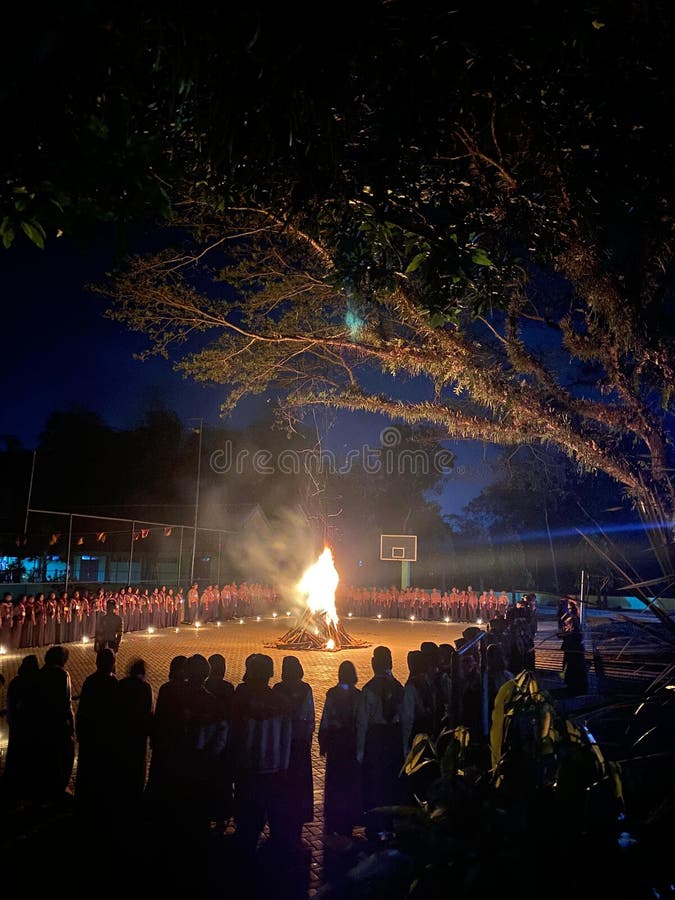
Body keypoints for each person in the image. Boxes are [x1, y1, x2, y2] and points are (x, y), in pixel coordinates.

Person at [231, 654, 291, 858]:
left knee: (247, 802)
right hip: (269, 763)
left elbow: (233, 728)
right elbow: (286, 735)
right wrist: (283, 764)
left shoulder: (241, 695)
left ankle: (245, 844)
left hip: (246, 762)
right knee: (261, 802)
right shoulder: (278, 700)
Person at [355, 645, 405, 841]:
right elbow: (405, 716)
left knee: (374, 781)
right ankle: (390, 821)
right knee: (391, 780)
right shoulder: (398, 687)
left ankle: (375, 822)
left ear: (373, 665)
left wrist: (359, 750)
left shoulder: (368, 690)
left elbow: (362, 722)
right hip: (392, 738)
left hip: (375, 739)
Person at [271, 655, 315, 850]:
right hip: (299, 743)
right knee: (299, 781)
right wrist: (307, 736)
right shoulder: (305, 689)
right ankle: (297, 819)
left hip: (282, 742)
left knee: (281, 781)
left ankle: (278, 821)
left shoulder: (278, 689)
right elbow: (310, 717)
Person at [318, 660, 362, 843]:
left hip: (337, 743)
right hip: (351, 743)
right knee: (349, 781)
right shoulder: (359, 695)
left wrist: (323, 741)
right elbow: (361, 720)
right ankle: (348, 820)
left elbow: (326, 718)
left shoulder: (332, 694)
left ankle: (334, 819)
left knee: (335, 780)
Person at [74, 647, 119, 815]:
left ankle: (85, 800)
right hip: (104, 735)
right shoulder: (113, 683)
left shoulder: (89, 681)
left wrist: (80, 730)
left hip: (91, 734)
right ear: (112, 664)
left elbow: (83, 709)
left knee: (88, 768)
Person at [35, 644, 75, 804]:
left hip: (43, 723)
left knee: (47, 756)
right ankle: (60, 789)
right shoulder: (62, 675)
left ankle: (45, 787)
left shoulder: (40, 673)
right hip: (58, 723)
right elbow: (67, 703)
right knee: (63, 756)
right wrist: (72, 725)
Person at [3, 654, 40, 806]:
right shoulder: (33, 684)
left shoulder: (15, 682)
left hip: (18, 727)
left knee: (16, 755)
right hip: (26, 728)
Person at [559, 598, 588, 695]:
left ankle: (574, 685)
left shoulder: (573, 619)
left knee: (573, 666)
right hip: (572, 647)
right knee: (572, 666)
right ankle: (574, 684)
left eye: (569, 608)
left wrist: (565, 633)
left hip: (573, 648)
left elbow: (571, 632)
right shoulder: (571, 618)